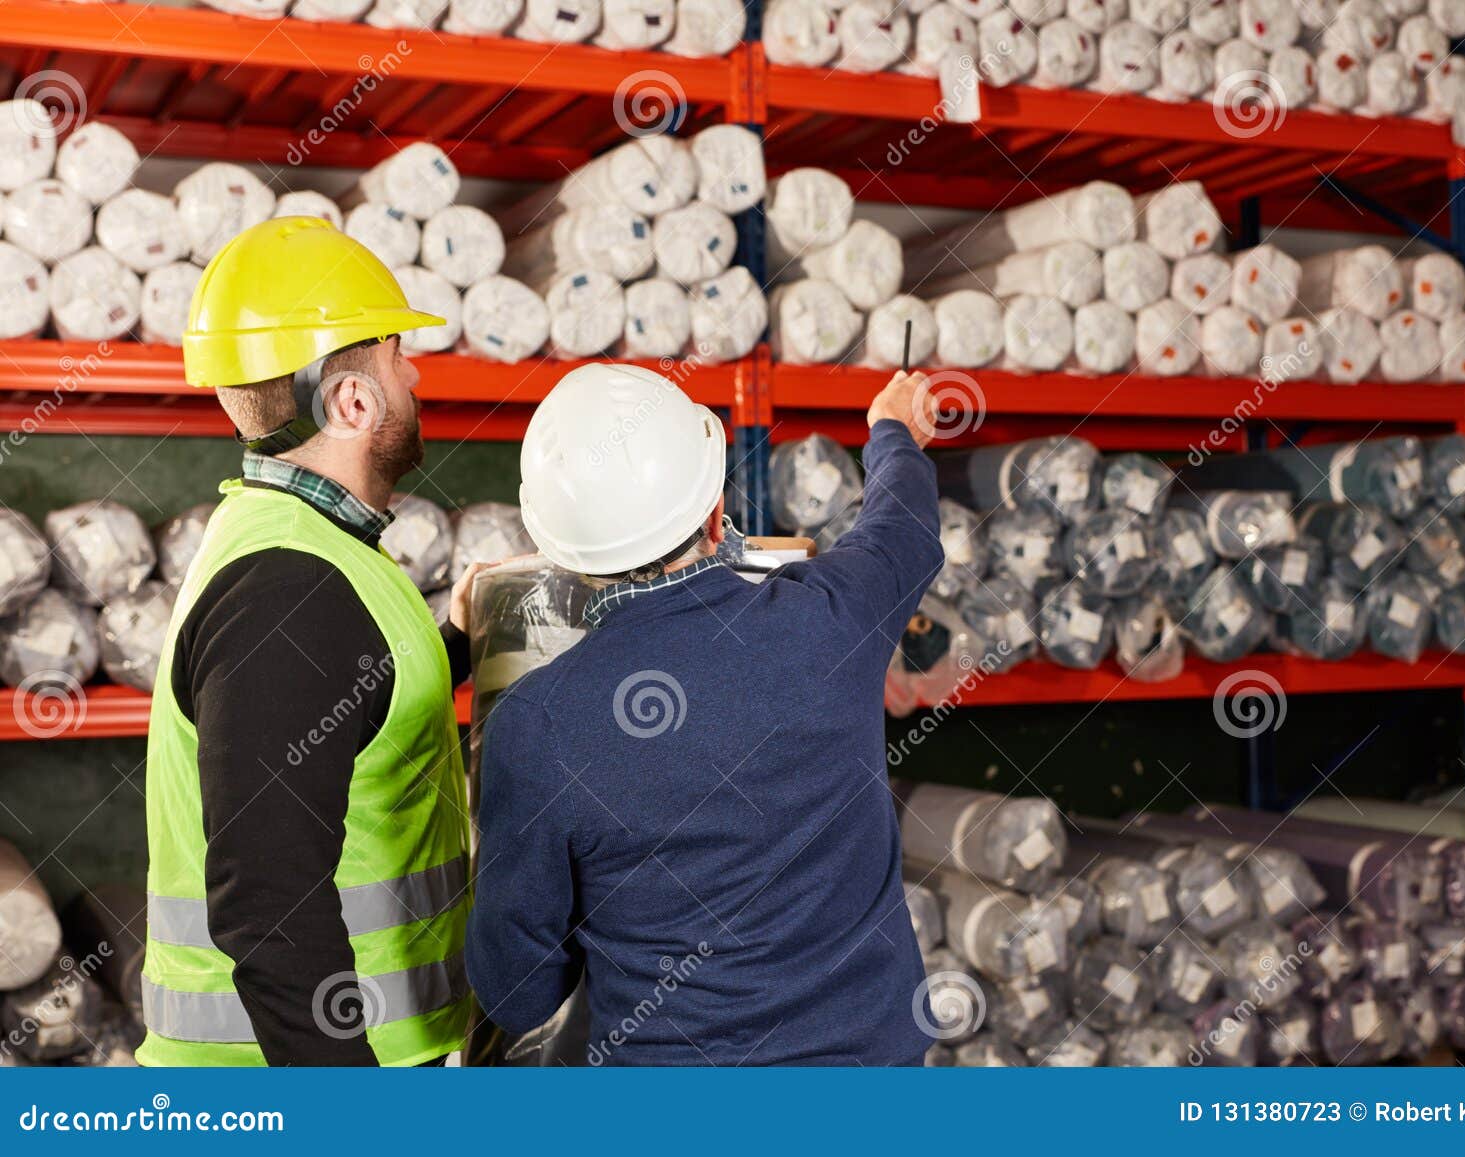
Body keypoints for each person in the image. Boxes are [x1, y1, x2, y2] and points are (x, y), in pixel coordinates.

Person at [467, 362, 943, 1065]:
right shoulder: (831, 618)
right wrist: (894, 430)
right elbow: (904, 528)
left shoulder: (539, 725)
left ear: (561, 558)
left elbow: (518, 995)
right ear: (716, 514)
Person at [138, 217, 480, 1067]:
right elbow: (268, 898)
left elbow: (344, 711)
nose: (414, 372)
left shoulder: (299, 544)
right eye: (399, 355)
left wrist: (460, 641)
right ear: (353, 400)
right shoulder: (290, 590)